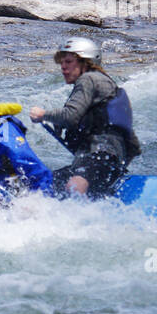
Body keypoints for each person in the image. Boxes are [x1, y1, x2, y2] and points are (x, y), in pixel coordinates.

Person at [29, 37, 142, 198]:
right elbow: (133, 144)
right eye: (62, 62)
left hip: (99, 156)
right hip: (107, 160)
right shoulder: (105, 83)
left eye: (68, 62)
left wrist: (43, 115)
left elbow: (70, 116)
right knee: (48, 182)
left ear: (86, 62)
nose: (63, 67)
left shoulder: (88, 79)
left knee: (74, 185)